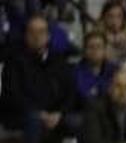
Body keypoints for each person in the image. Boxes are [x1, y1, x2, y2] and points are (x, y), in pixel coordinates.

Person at [0, 15, 76, 143]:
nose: (37, 36)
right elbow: (12, 95)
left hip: (54, 114)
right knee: (34, 120)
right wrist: (40, 114)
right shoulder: (14, 60)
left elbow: (70, 92)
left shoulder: (59, 61)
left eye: (41, 31)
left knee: (78, 121)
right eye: (32, 32)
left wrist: (59, 113)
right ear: (26, 35)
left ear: (48, 35)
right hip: (21, 114)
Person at [80, 70, 126, 143]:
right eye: (118, 86)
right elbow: (92, 140)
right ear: (110, 89)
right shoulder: (94, 108)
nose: (123, 91)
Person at [73, 30, 118, 102]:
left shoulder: (115, 71)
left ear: (105, 50)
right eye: (91, 47)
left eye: (99, 47)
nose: (95, 51)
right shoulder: (75, 73)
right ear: (84, 50)